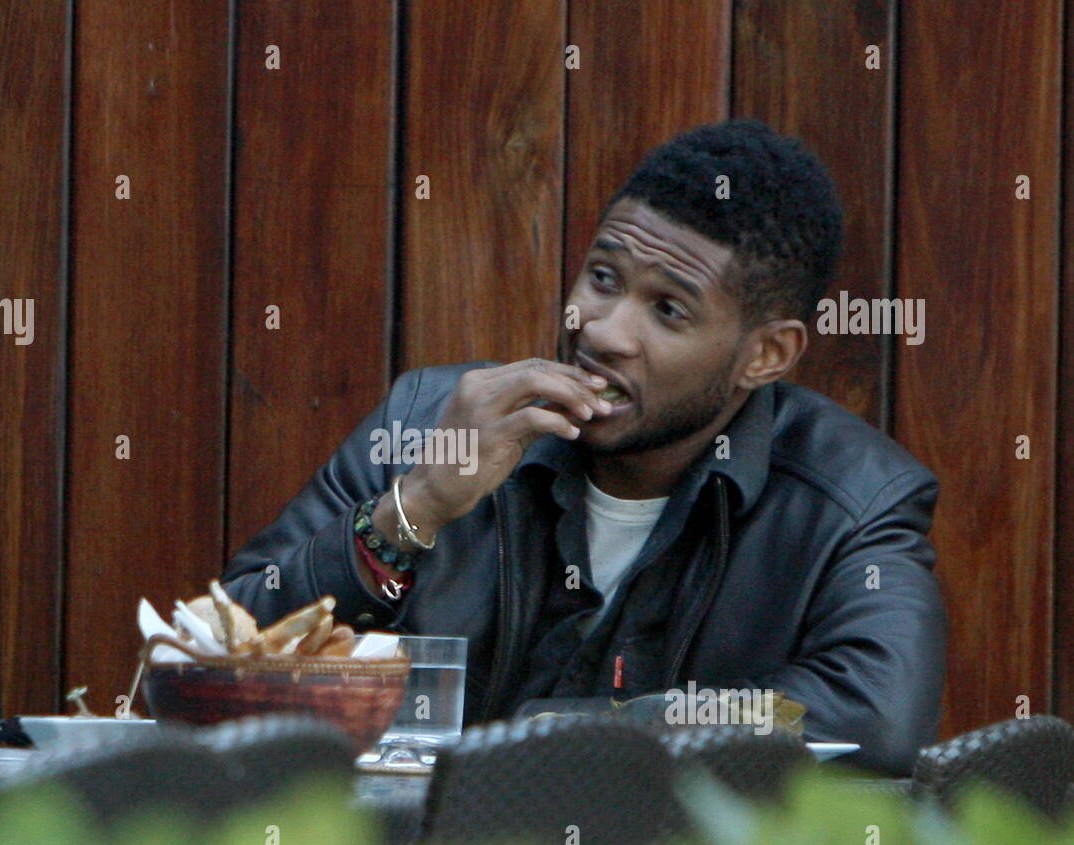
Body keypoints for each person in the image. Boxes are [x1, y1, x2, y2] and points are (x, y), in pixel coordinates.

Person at [221, 119, 945, 775]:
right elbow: (222, 655)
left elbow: (874, 714)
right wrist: (413, 510)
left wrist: (552, 734)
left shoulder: (850, 501)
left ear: (766, 355)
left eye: (667, 310)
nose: (602, 330)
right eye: (602, 278)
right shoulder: (431, 421)